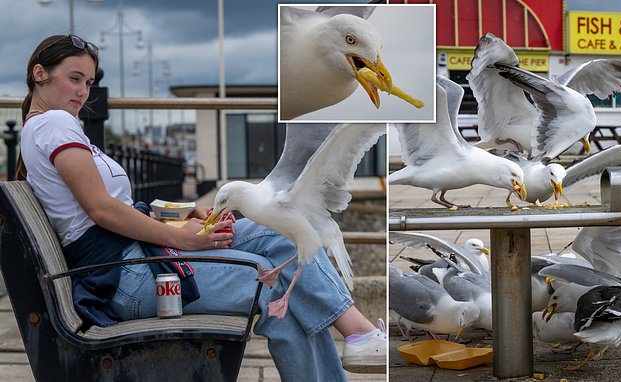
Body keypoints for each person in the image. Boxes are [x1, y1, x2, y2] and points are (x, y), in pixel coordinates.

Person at [16, 34, 386, 380]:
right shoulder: (54, 124)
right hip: (126, 277)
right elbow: (101, 210)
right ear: (40, 74)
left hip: (135, 261)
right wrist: (187, 242)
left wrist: (178, 215)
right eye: (75, 79)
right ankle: (359, 335)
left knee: (278, 230)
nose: (83, 92)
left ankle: (358, 332)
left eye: (89, 83)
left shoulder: (51, 128)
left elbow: (108, 208)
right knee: (270, 282)